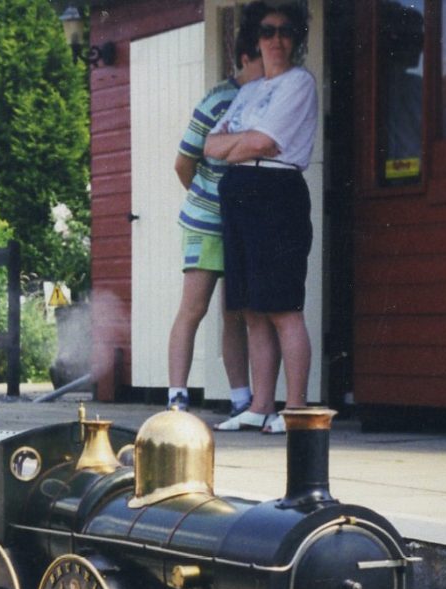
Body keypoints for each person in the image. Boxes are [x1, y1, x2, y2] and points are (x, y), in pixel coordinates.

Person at [204, 1, 317, 435]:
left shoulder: (299, 83)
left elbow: (266, 141)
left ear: (296, 38)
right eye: (268, 32)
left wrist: (243, 142)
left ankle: (297, 408)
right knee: (251, 308)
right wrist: (244, 143)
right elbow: (212, 146)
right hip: (239, 193)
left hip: (276, 192)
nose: (276, 39)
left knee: (283, 307)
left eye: (285, 31)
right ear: (257, 38)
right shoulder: (249, 91)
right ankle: (260, 404)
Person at [165, 21, 264, 416]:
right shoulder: (217, 100)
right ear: (245, 59)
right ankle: (176, 397)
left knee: (236, 312)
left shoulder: (268, 100)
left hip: (241, 222)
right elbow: (182, 162)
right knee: (194, 306)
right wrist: (207, 199)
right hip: (206, 220)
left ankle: (241, 399)